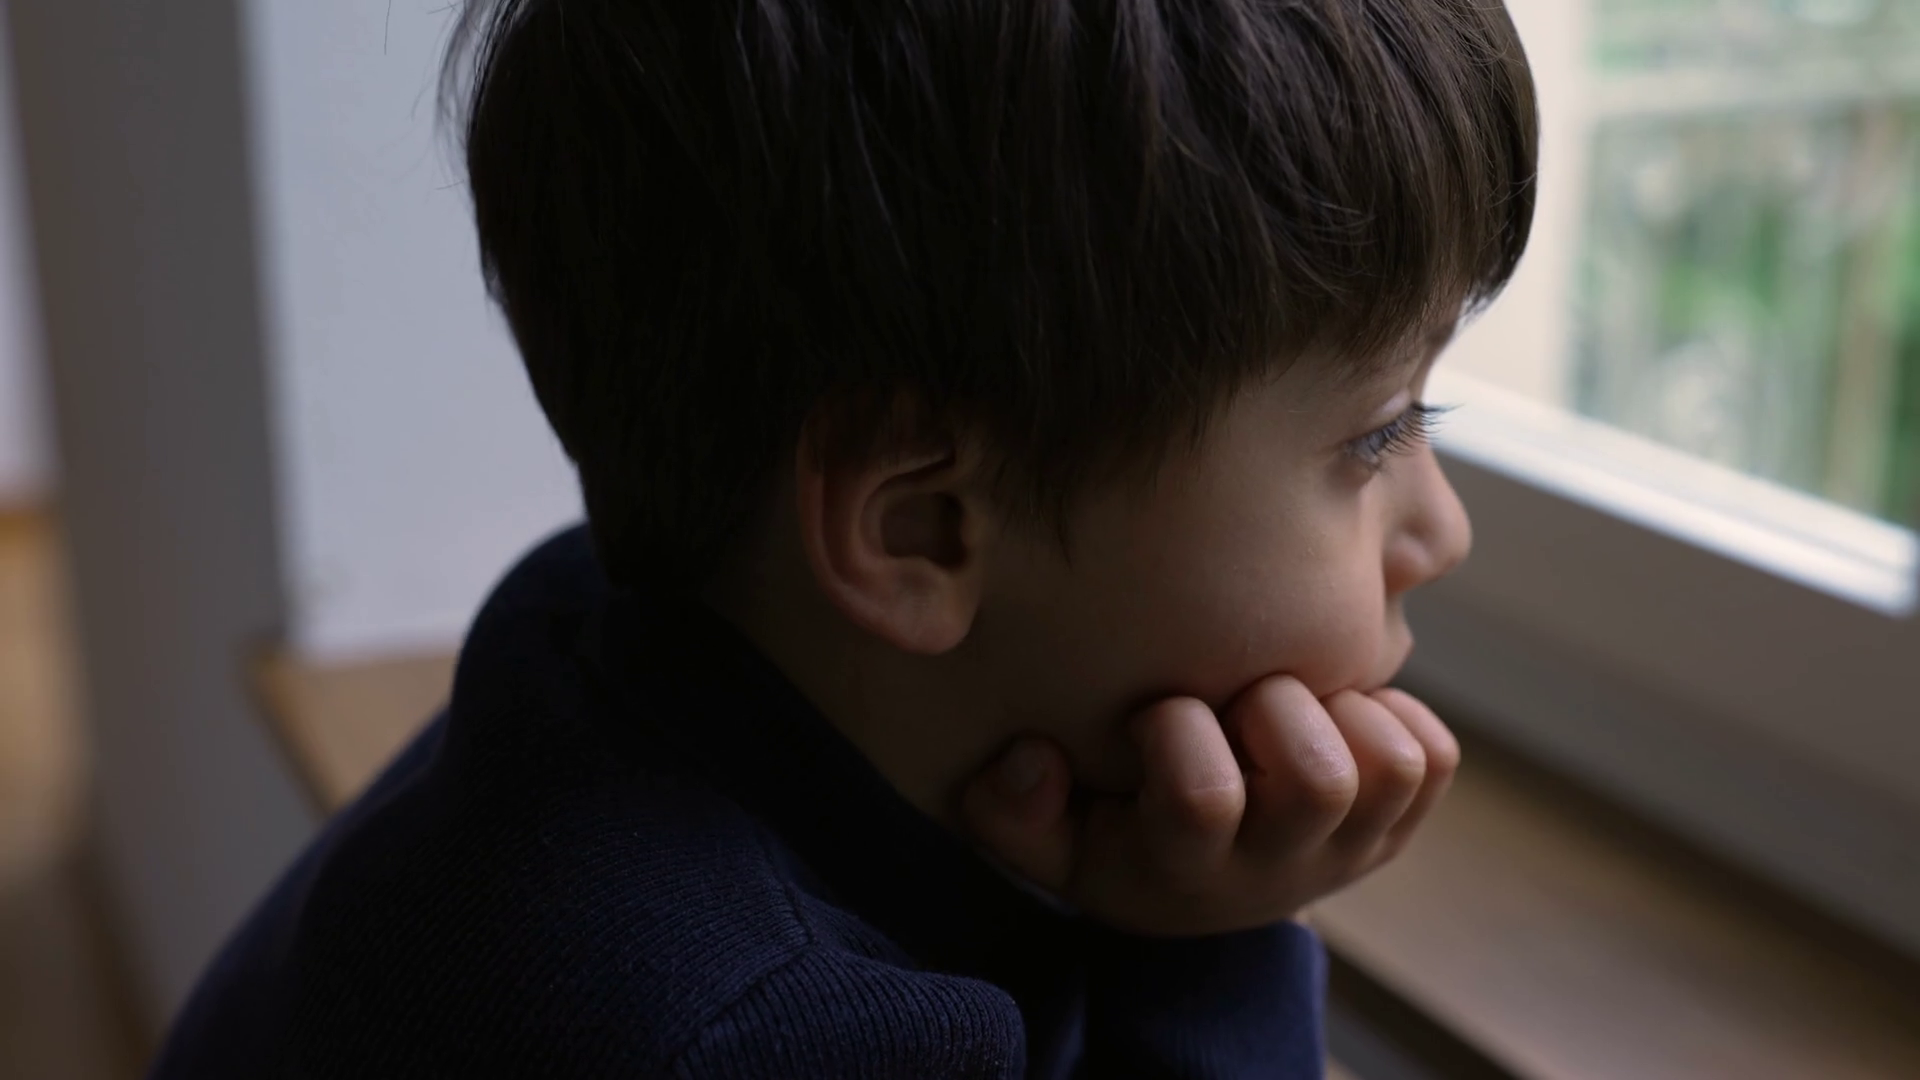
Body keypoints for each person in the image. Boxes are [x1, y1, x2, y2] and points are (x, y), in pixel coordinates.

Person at [150, 0, 1536, 1076]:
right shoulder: (758, 1037)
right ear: (919, 529)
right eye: (1372, 440)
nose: (1442, 530)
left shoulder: (603, 624)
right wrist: (1214, 947)